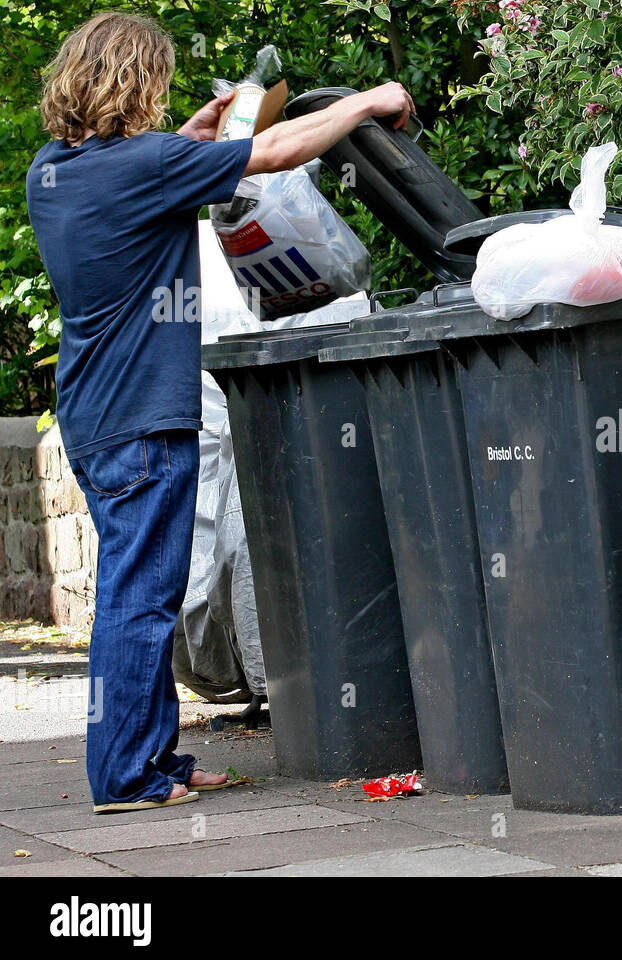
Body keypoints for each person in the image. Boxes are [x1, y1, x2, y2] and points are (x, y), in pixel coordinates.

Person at [25, 11, 415, 814]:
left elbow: (158, 171)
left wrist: (197, 139)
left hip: (92, 412)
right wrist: (372, 98)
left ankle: (153, 760)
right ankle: (126, 778)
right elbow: (274, 151)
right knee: (142, 596)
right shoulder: (147, 164)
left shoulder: (51, 171)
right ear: (139, 83)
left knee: (140, 587)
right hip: (143, 417)